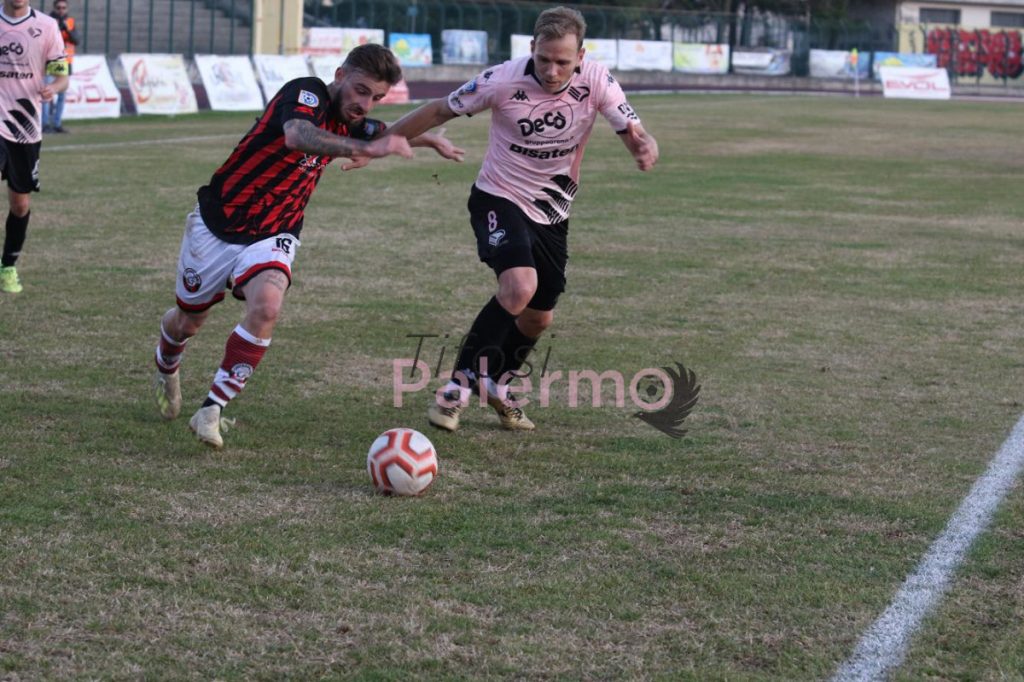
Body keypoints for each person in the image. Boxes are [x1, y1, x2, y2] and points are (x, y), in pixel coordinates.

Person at [153, 43, 463, 448]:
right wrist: (366, 149)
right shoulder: (306, 92)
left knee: (267, 306)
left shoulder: (352, 119)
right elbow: (298, 135)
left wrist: (429, 140)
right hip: (218, 222)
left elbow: (383, 132)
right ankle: (167, 362)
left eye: (376, 97)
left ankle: (211, 409)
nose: (365, 104)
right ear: (339, 76)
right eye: (361, 90)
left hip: (275, 230)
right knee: (187, 322)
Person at [379, 6, 659, 432]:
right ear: (531, 48)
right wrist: (378, 144)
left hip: (552, 210)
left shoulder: (597, 79)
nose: (551, 70)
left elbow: (634, 131)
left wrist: (645, 145)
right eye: (543, 59)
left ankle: (497, 383)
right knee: (518, 286)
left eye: (562, 61)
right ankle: (455, 391)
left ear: (581, 56)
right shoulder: (502, 79)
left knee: (538, 317)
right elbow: (438, 110)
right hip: (498, 196)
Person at [0, 0, 69, 294]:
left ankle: (7, 266)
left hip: (25, 127)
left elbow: (62, 76)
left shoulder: (47, 26)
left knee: (20, 205)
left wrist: (53, 87)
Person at [42, 0, 77, 133]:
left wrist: (66, 28)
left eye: (63, 7)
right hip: (52, 61)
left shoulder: (70, 22)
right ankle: (44, 124)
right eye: (59, 7)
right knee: (47, 93)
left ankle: (57, 124)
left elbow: (76, 40)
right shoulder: (48, 21)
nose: (61, 10)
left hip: (66, 61)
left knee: (62, 95)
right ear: (54, 8)